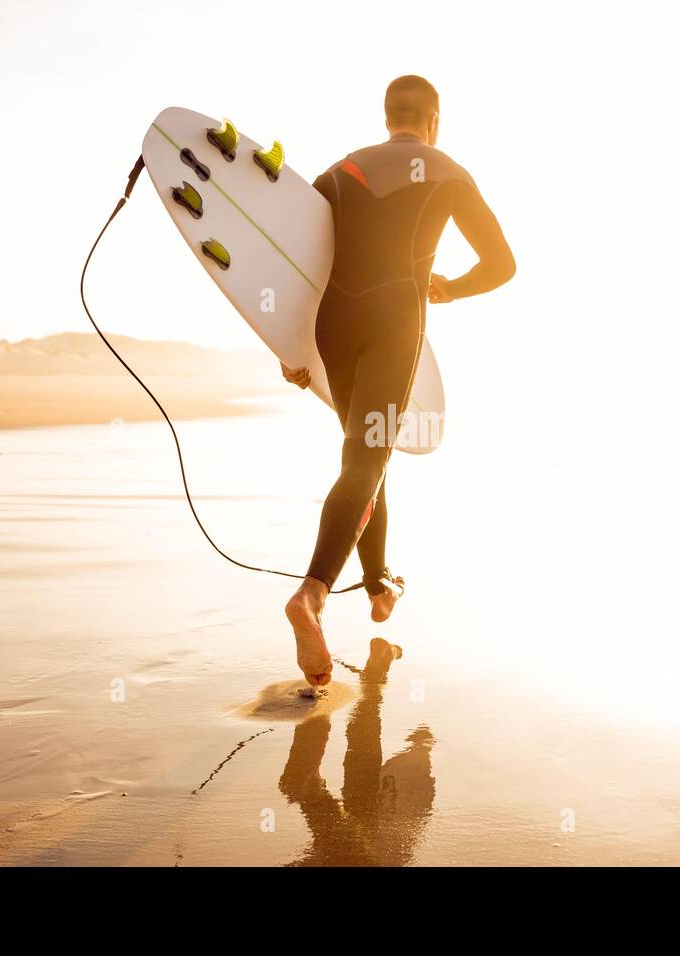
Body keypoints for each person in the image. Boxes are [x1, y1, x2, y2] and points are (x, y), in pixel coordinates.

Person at [282, 75, 515, 689]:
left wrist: (289, 346)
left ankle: (379, 585)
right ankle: (312, 594)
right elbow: (503, 265)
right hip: (394, 324)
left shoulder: (339, 171)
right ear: (434, 118)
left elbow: (295, 262)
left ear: (387, 116)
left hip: (332, 327)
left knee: (366, 456)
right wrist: (449, 288)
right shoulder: (446, 171)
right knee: (366, 460)